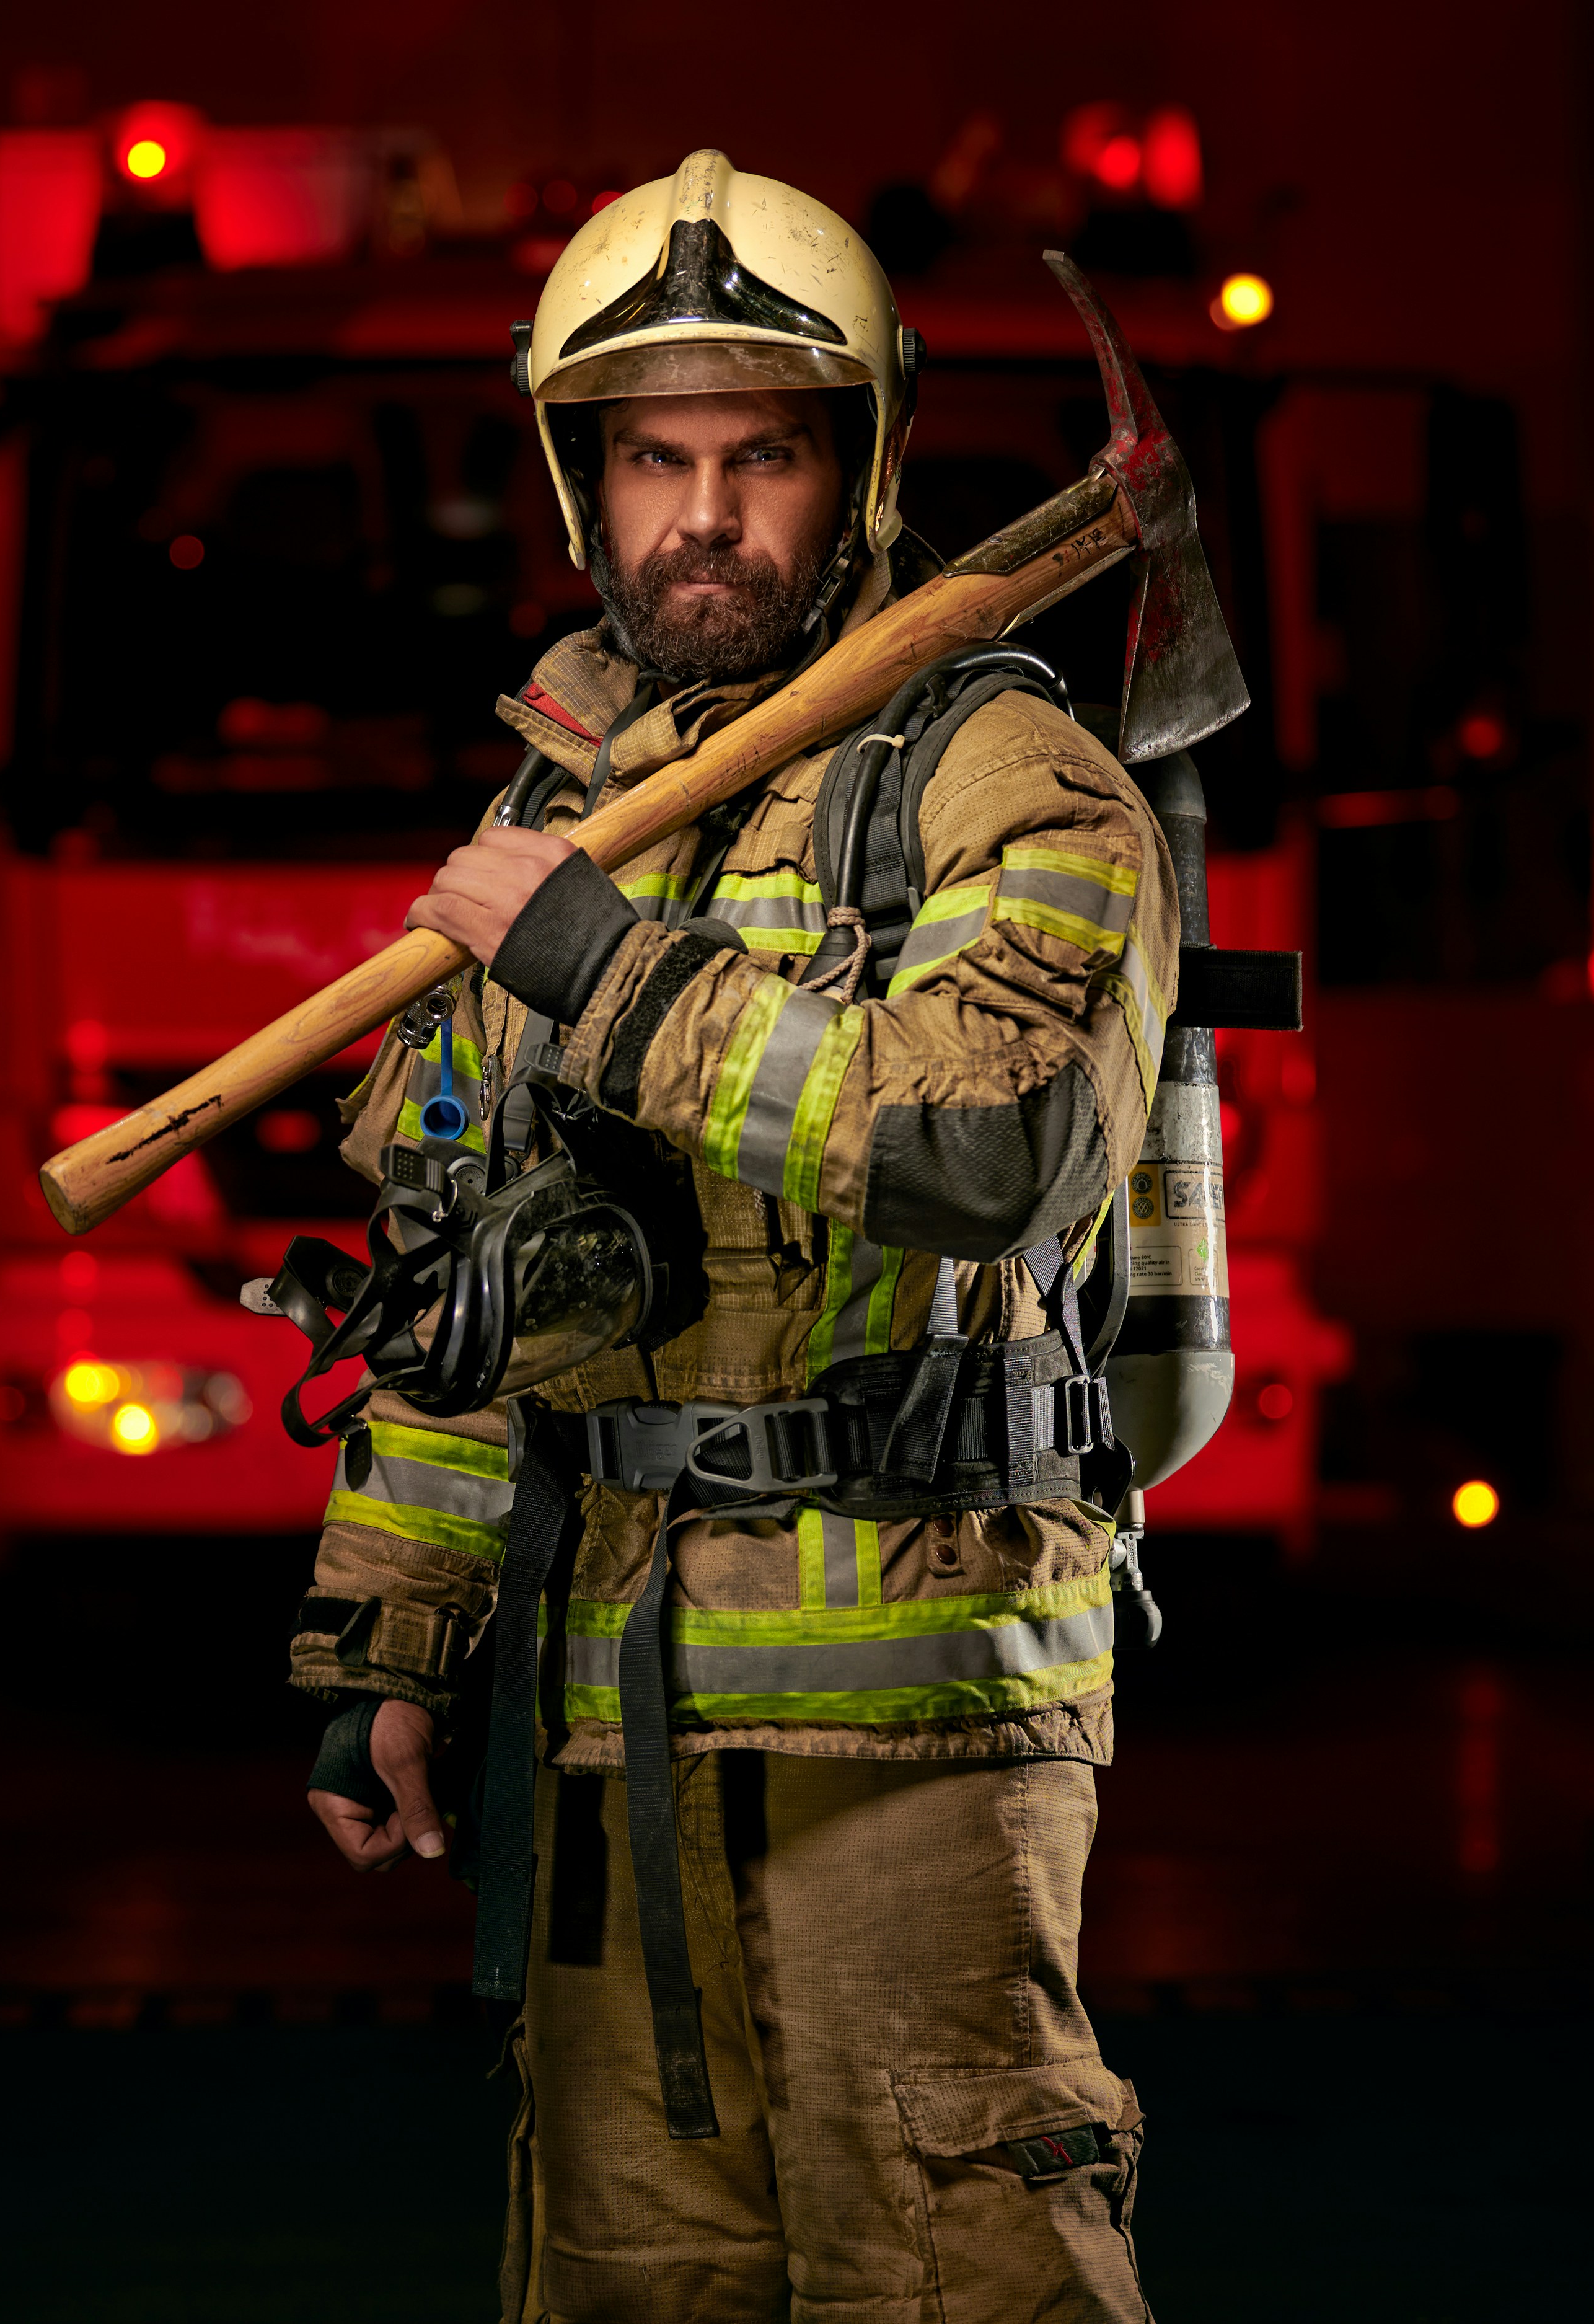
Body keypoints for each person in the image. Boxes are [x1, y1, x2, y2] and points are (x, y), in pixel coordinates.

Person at [294, 149, 1171, 2323]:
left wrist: (612, 969)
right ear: (583, 486)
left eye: (761, 453)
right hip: (603, 1731)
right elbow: (482, 1281)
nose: (706, 513)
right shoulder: (552, 813)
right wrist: (391, 1642)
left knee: (969, 2284)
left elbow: (997, 1148)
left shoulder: (1004, 778)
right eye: (655, 458)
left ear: (855, 467)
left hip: (926, 1744)